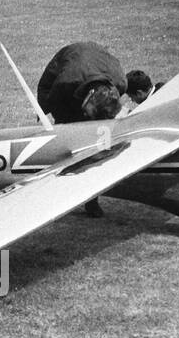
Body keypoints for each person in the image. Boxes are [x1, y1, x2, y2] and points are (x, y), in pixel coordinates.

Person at [36, 41, 127, 217]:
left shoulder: (121, 82)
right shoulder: (64, 84)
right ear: (87, 99)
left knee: (100, 146)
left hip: (96, 63)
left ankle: (91, 197)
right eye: (89, 113)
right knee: (69, 147)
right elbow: (52, 104)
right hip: (64, 72)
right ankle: (61, 192)